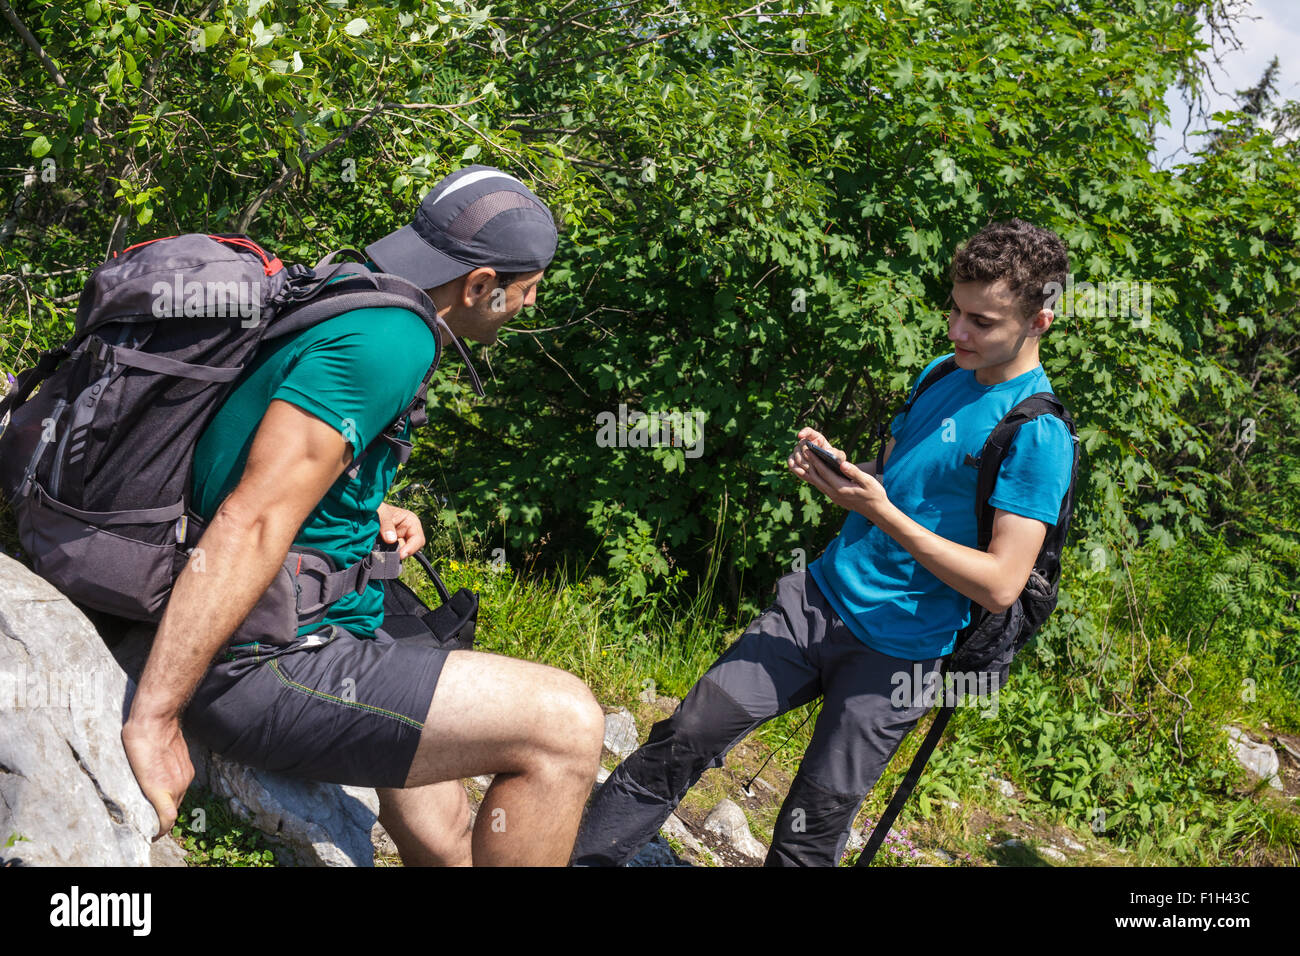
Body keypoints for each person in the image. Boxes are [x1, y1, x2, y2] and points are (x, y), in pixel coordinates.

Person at [121, 165, 606, 867]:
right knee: (565, 726)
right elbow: (252, 518)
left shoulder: (356, 293)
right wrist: (156, 716)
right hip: (268, 662)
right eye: (527, 288)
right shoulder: (391, 342)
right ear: (480, 284)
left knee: (452, 849)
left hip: (341, 629)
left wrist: (363, 502)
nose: (528, 304)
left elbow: (254, 448)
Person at [571, 218, 1078, 866]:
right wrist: (848, 474)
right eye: (955, 311)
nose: (957, 333)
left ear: (1040, 321)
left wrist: (882, 511)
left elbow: (1001, 582)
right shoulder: (940, 373)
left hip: (902, 652)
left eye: (981, 322)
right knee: (687, 734)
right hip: (817, 602)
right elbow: (903, 480)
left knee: (810, 829)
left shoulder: (1037, 433)